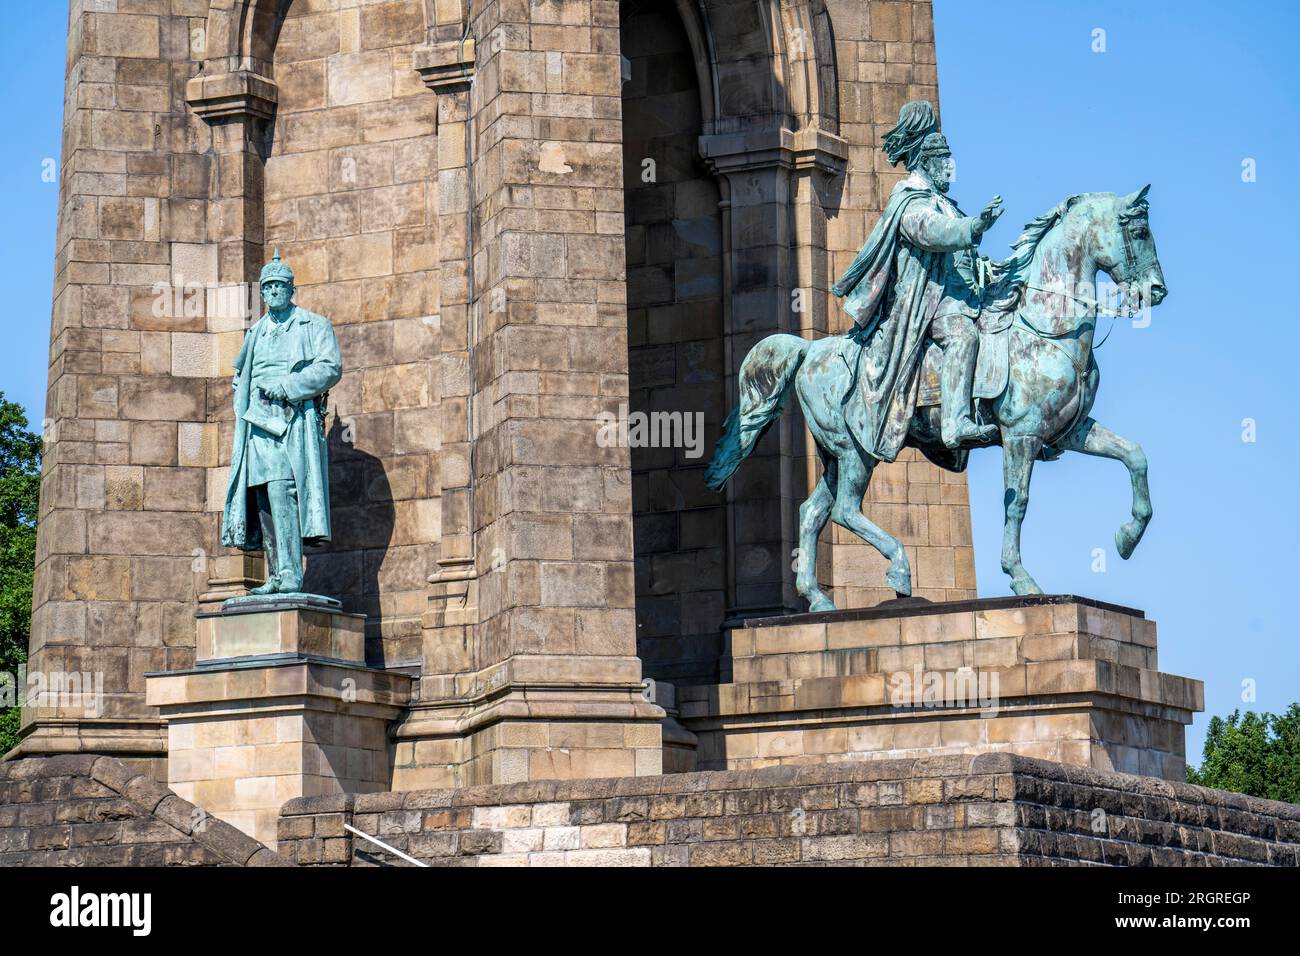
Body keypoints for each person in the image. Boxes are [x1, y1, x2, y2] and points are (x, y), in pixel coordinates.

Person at [833, 101, 1003, 457]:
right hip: (928, 302)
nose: (950, 169)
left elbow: (962, 256)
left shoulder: (944, 201)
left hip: (959, 297)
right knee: (963, 334)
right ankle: (955, 422)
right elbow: (931, 232)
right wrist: (974, 226)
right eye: (944, 163)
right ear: (927, 162)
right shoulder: (909, 199)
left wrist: (989, 268)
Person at [220, 251, 341, 595]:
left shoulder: (314, 325)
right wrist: (244, 395)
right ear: (262, 293)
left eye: (280, 286)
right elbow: (240, 372)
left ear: (292, 289)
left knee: (282, 490)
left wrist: (287, 387)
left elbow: (330, 367)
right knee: (261, 496)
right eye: (268, 287)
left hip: (292, 425)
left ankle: (289, 575)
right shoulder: (255, 332)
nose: (273, 292)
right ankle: (276, 575)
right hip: (257, 428)